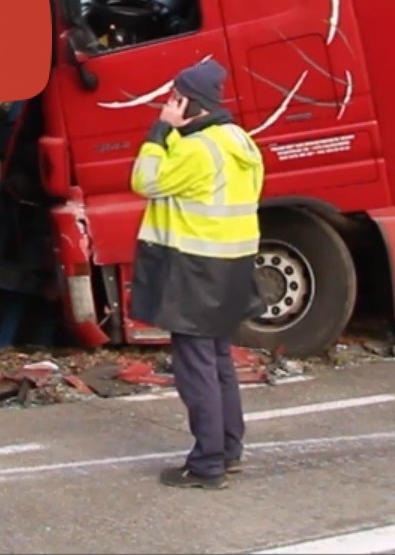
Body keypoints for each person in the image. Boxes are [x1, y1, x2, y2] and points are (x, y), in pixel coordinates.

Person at [127, 57, 266, 490]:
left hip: (195, 272)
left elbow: (144, 182)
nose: (169, 105)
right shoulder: (240, 141)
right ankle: (228, 450)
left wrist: (157, 134)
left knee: (196, 369)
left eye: (176, 99)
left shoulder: (194, 149)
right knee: (219, 362)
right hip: (232, 268)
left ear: (193, 104)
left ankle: (207, 464)